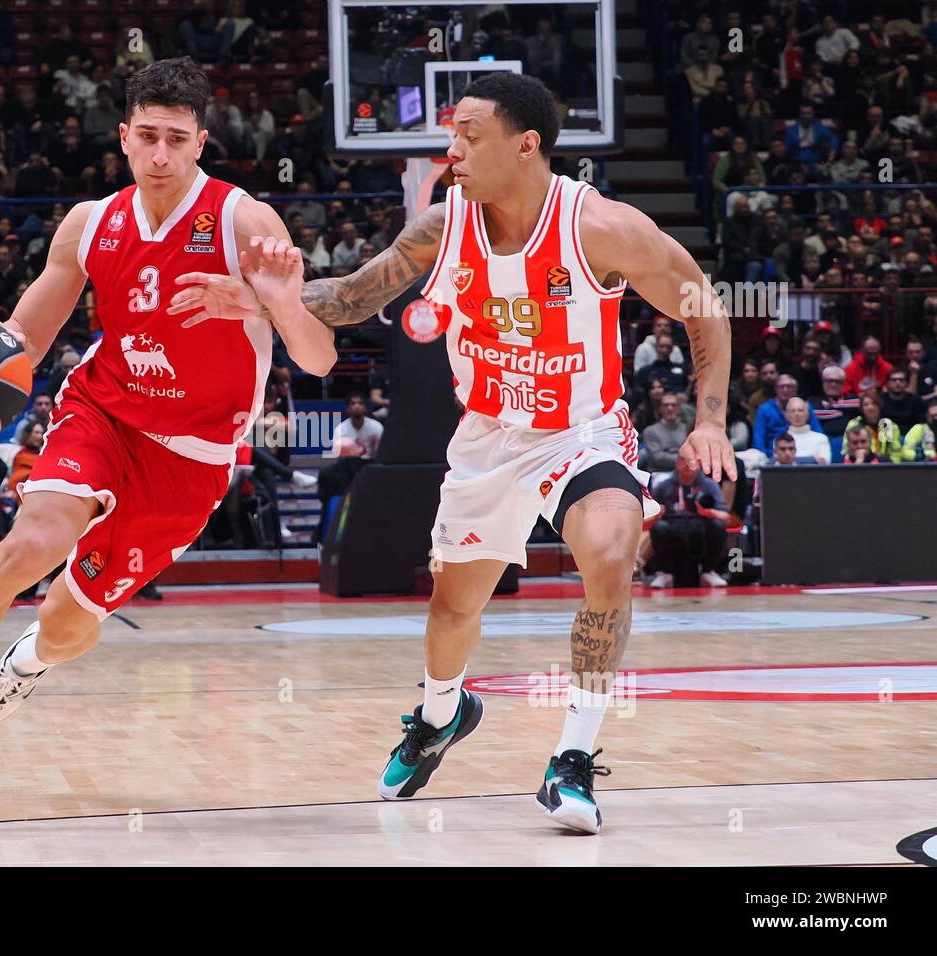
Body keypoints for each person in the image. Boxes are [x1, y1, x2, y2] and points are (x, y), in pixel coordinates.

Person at [176, 71, 735, 831]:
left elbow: (705, 304)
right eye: (452, 135)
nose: (453, 150)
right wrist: (264, 298)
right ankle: (443, 714)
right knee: (451, 608)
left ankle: (572, 757)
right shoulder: (445, 226)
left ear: (526, 145)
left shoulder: (600, 226)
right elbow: (356, 296)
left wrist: (710, 419)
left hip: (581, 432)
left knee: (609, 552)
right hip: (486, 440)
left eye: (470, 136)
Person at [0, 58, 337, 794]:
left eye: (178, 139)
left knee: (67, 623)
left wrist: (284, 307)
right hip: (102, 409)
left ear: (201, 145)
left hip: (192, 458)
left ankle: (25, 664)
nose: (161, 154)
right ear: (124, 136)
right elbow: (26, 341)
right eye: (148, 136)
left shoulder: (244, 222)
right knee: (30, 544)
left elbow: (318, 359)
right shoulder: (89, 224)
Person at [645, 457, 730, 589]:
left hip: (700, 525)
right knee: (658, 528)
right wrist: (655, 514)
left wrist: (709, 512)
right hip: (672, 525)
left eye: (692, 461)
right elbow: (645, 518)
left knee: (717, 526)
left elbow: (725, 516)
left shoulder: (709, 485)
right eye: (683, 460)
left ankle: (709, 571)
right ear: (676, 463)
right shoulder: (663, 485)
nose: (688, 465)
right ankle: (665, 573)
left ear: (699, 464)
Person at [753, 374, 824, 455]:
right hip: (772, 456)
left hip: (803, 453)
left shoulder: (806, 407)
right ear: (775, 389)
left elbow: (817, 432)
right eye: (781, 387)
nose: (785, 389)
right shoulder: (764, 409)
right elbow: (758, 439)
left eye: (789, 386)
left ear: (795, 389)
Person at [639, 393, 689, 471]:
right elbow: (657, 458)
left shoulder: (687, 429)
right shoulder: (650, 431)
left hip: (685, 471)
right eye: (666, 405)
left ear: (678, 408)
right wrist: (683, 460)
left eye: (673, 405)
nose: (670, 408)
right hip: (661, 472)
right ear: (660, 409)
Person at [331, 393, 383, 458]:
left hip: (369, 465)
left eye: (360, 403)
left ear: (365, 408)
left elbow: (381, 454)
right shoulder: (340, 429)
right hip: (348, 465)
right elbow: (336, 455)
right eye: (353, 403)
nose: (357, 406)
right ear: (348, 409)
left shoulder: (376, 426)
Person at [782, 397, 829, 463]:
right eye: (793, 411)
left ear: (808, 414)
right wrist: (812, 459)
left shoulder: (821, 438)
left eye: (800, 410)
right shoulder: (779, 440)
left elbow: (824, 463)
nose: (797, 414)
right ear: (786, 415)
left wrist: (793, 460)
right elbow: (780, 464)